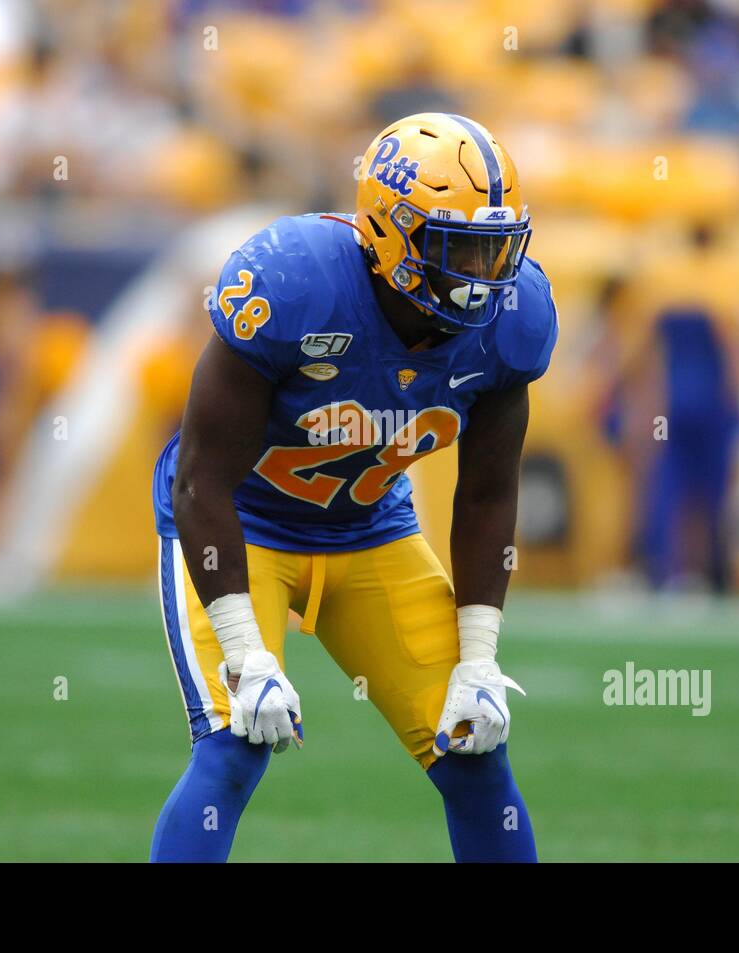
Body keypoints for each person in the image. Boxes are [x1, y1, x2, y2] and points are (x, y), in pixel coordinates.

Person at [150, 113, 558, 862]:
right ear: (392, 232)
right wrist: (246, 650)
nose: (484, 272)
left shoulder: (514, 318)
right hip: (241, 525)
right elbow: (202, 477)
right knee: (237, 744)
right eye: (459, 245)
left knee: (473, 749)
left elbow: (488, 495)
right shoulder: (294, 280)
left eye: (495, 247)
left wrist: (479, 658)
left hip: (370, 528)